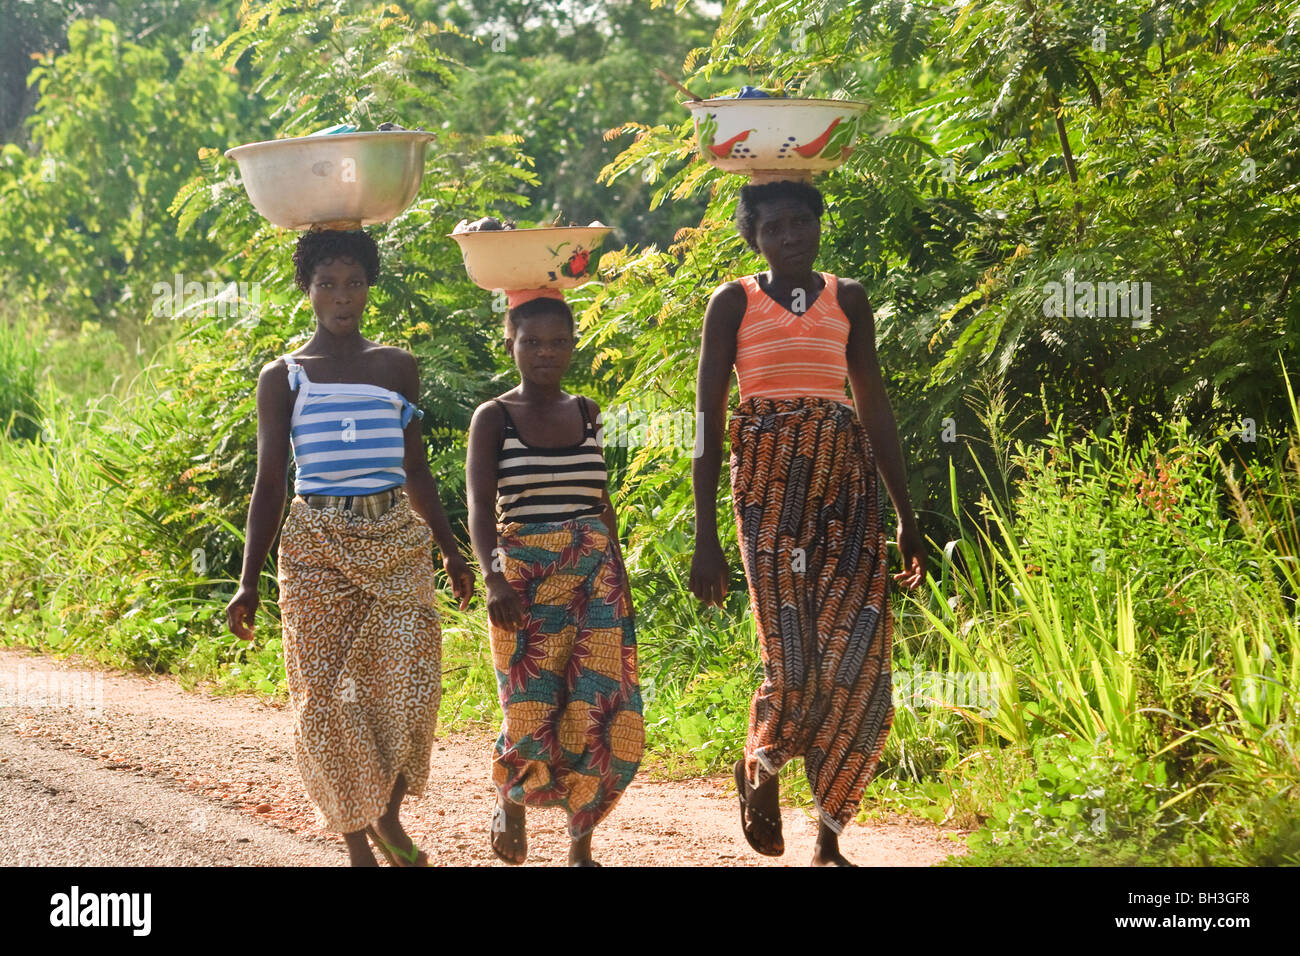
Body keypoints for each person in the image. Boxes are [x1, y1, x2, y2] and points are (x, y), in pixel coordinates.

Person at [688, 179, 927, 866]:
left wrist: (906, 516)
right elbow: (707, 422)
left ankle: (828, 836)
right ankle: (761, 769)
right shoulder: (733, 302)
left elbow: (873, 407)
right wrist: (707, 538)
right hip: (768, 494)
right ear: (753, 236)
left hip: (845, 491)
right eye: (773, 226)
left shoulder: (846, 297)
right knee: (792, 658)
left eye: (801, 221)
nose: (790, 235)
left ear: (820, 224)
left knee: (857, 657)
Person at [225, 228, 475, 867]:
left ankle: (387, 814)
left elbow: (415, 469)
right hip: (316, 546)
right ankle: (358, 845)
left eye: (355, 283)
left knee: (411, 681)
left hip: (396, 538)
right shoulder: (283, 377)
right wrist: (248, 579)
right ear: (306, 289)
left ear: (370, 288)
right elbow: (272, 481)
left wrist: (449, 548)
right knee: (324, 696)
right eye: (328, 283)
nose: (343, 297)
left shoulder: (396, 367)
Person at [465, 289, 643, 867]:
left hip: (596, 574)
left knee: (597, 706)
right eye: (533, 342)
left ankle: (580, 845)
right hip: (524, 581)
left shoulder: (588, 411)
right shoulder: (494, 417)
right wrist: (493, 581)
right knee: (530, 704)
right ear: (510, 342)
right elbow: (478, 506)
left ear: (573, 344)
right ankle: (510, 796)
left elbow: (601, 498)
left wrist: (620, 570)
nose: (547, 353)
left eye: (559, 341)